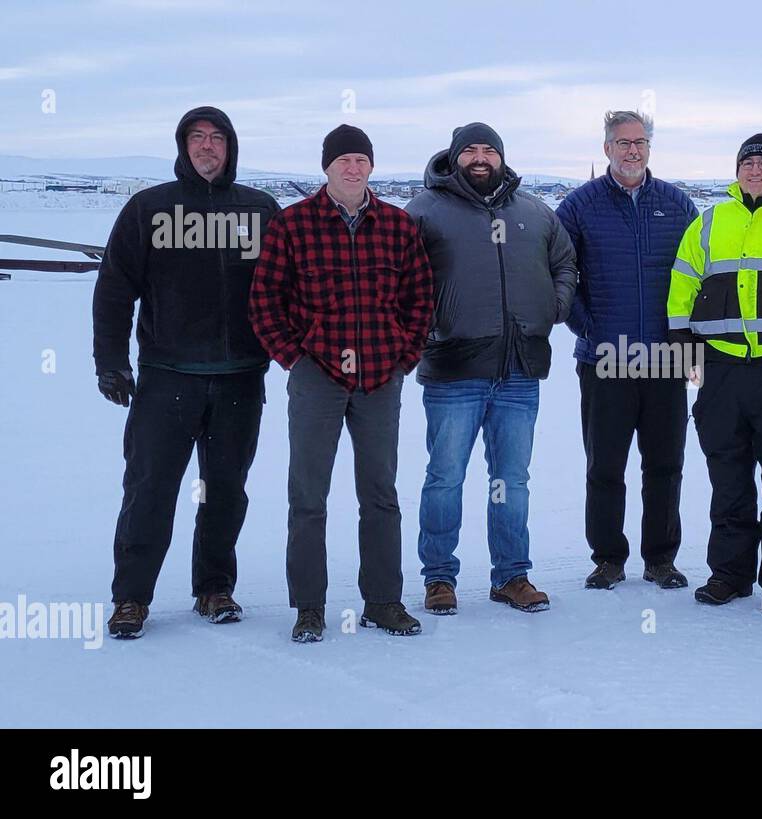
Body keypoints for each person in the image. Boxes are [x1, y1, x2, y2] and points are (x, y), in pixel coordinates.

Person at [93, 106, 280, 639]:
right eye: (196, 138)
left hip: (241, 376)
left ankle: (214, 587)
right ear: (182, 146)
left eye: (216, 138)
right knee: (149, 488)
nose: (206, 147)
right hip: (166, 376)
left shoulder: (261, 210)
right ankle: (131, 597)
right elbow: (113, 289)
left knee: (225, 489)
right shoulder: (149, 210)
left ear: (231, 147)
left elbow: (294, 284)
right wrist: (110, 363)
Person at [249, 124, 435, 642]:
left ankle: (383, 601)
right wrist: (296, 358)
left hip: (380, 376)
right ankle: (309, 607)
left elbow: (421, 300)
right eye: (342, 161)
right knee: (308, 496)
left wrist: (404, 355)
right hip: (319, 377)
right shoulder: (292, 225)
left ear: (371, 167)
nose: (352, 169)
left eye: (361, 161)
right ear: (326, 167)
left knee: (380, 494)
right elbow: (265, 302)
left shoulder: (398, 227)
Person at [405, 123, 577, 615]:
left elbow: (565, 262)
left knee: (512, 479)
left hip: (519, 370)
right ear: (454, 157)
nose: (480, 158)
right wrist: (430, 324)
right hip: (454, 369)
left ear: (501, 157)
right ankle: (439, 577)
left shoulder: (533, 212)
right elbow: (398, 278)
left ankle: (512, 575)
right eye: (471, 151)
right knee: (445, 476)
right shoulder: (425, 211)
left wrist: (553, 306)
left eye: (489, 151)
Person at [666, 134, 762, 615]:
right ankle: (729, 575)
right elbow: (682, 286)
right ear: (737, 171)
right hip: (721, 370)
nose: (755, 169)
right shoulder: (709, 222)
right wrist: (685, 352)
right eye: (747, 162)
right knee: (727, 480)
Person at [554, 110, 699, 591]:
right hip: (604, 359)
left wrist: (688, 341)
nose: (632, 150)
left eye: (640, 142)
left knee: (664, 465)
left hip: (664, 361)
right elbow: (558, 273)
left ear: (650, 147)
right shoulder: (579, 207)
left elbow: (698, 279)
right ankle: (609, 558)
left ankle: (660, 558)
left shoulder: (677, 206)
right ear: (607, 149)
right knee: (605, 465)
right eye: (622, 143)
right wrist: (587, 326)